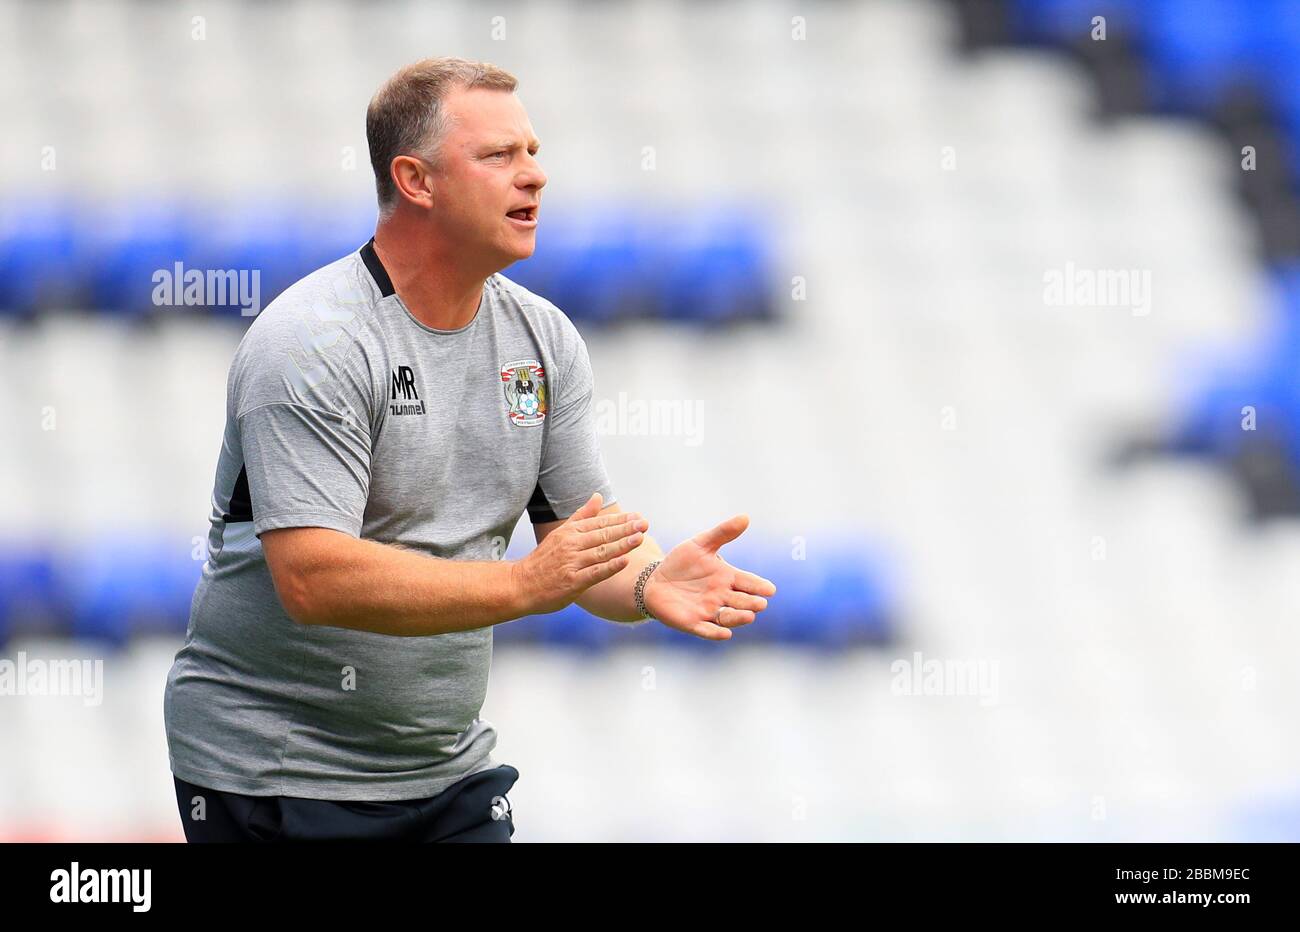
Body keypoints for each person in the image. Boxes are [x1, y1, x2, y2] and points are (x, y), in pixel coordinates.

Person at [163, 57, 776, 843]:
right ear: (415, 180)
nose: (536, 176)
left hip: (448, 772)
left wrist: (650, 579)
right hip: (276, 773)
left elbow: (577, 549)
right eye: (500, 156)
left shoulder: (542, 339)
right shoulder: (313, 340)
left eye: (533, 152)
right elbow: (312, 577)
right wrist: (522, 585)